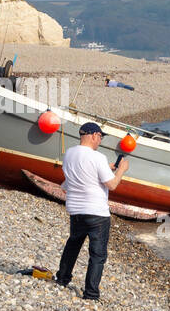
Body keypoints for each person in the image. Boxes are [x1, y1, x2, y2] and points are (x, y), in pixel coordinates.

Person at [54, 122, 130, 300]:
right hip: (96, 212)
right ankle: (91, 293)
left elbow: (68, 184)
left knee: (73, 245)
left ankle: (62, 278)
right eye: (100, 137)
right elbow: (112, 184)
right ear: (94, 135)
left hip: (76, 210)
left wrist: (107, 169)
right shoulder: (98, 157)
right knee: (97, 254)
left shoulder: (69, 154)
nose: (100, 141)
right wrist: (121, 170)